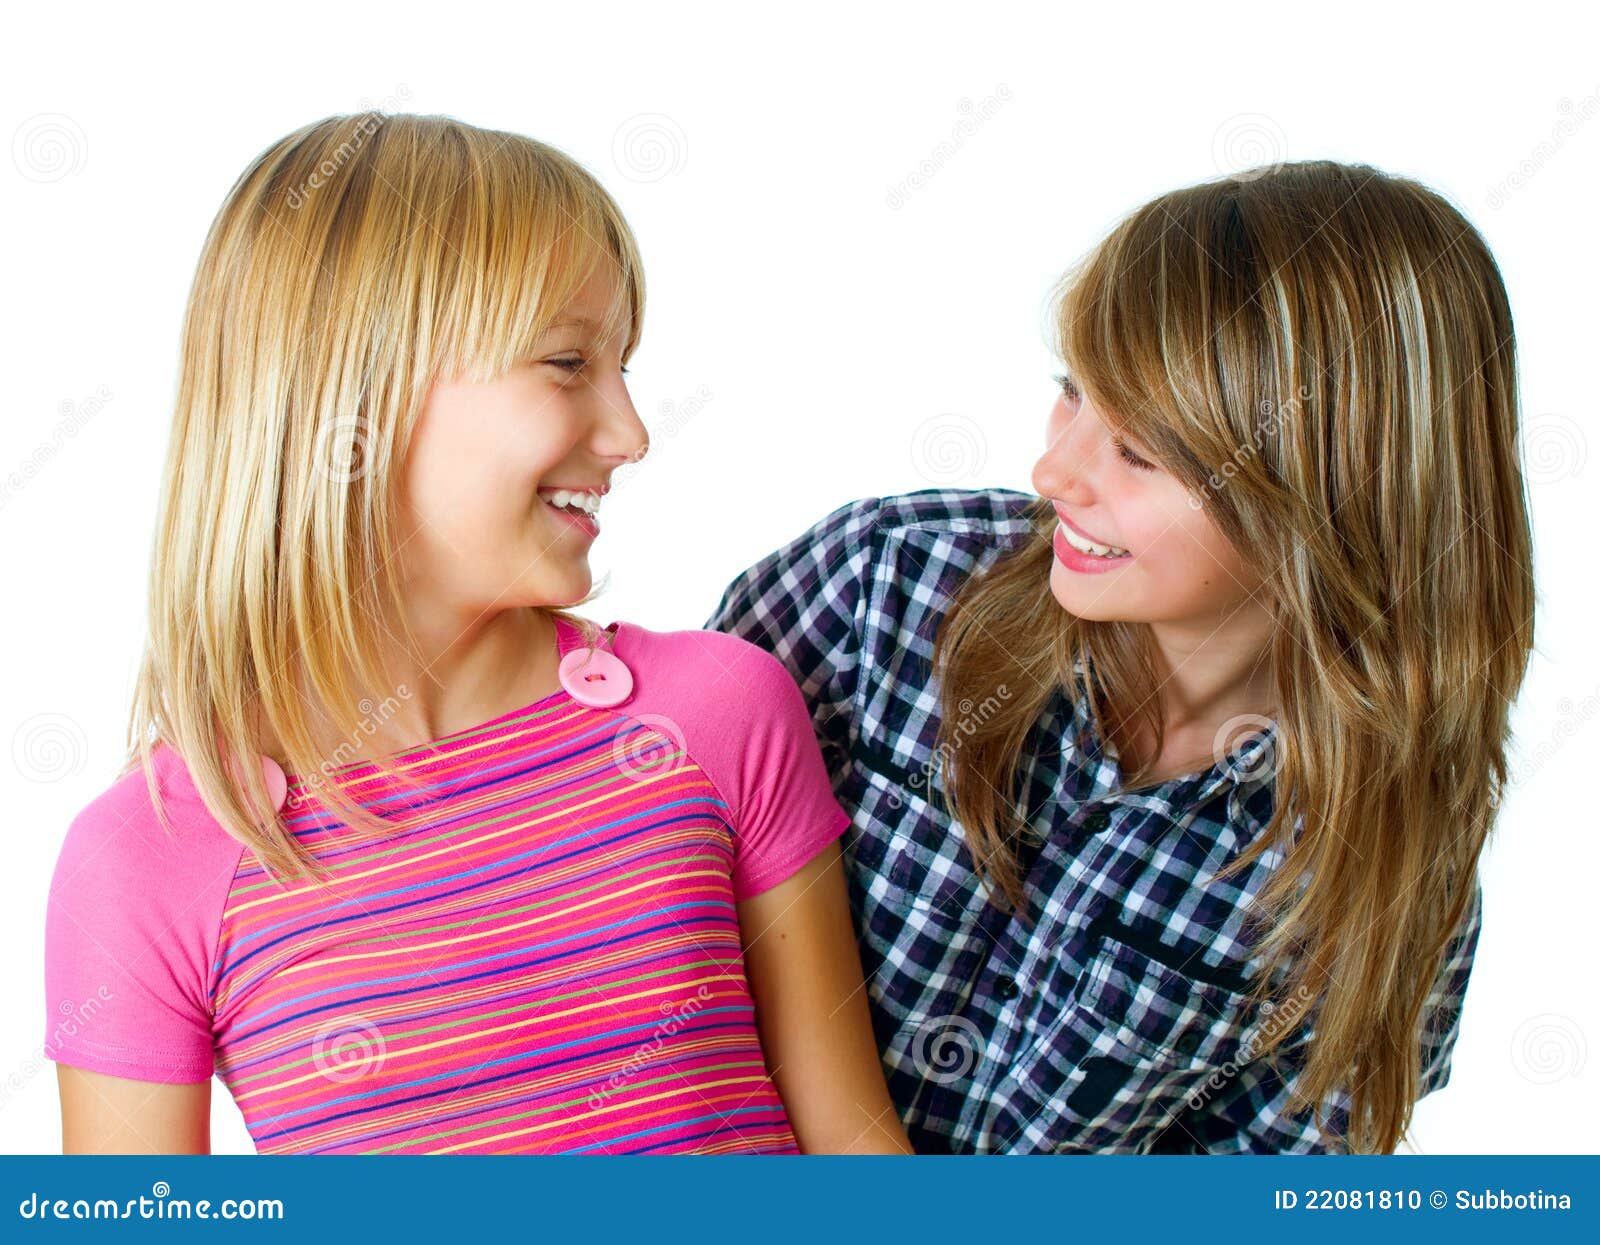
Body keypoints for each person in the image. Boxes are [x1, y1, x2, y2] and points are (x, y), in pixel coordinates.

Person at [43, 112, 912, 1156]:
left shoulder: (718, 714)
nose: (631, 434)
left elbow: (860, 1162)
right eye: (566, 362)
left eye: (624, 366)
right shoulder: (150, 858)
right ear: (354, 395)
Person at [708, 160, 1533, 1154]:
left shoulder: (1377, 872)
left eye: (1139, 451)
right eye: (1071, 394)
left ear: (1330, 496)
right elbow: (606, 871)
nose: (1053, 470)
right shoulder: (881, 584)